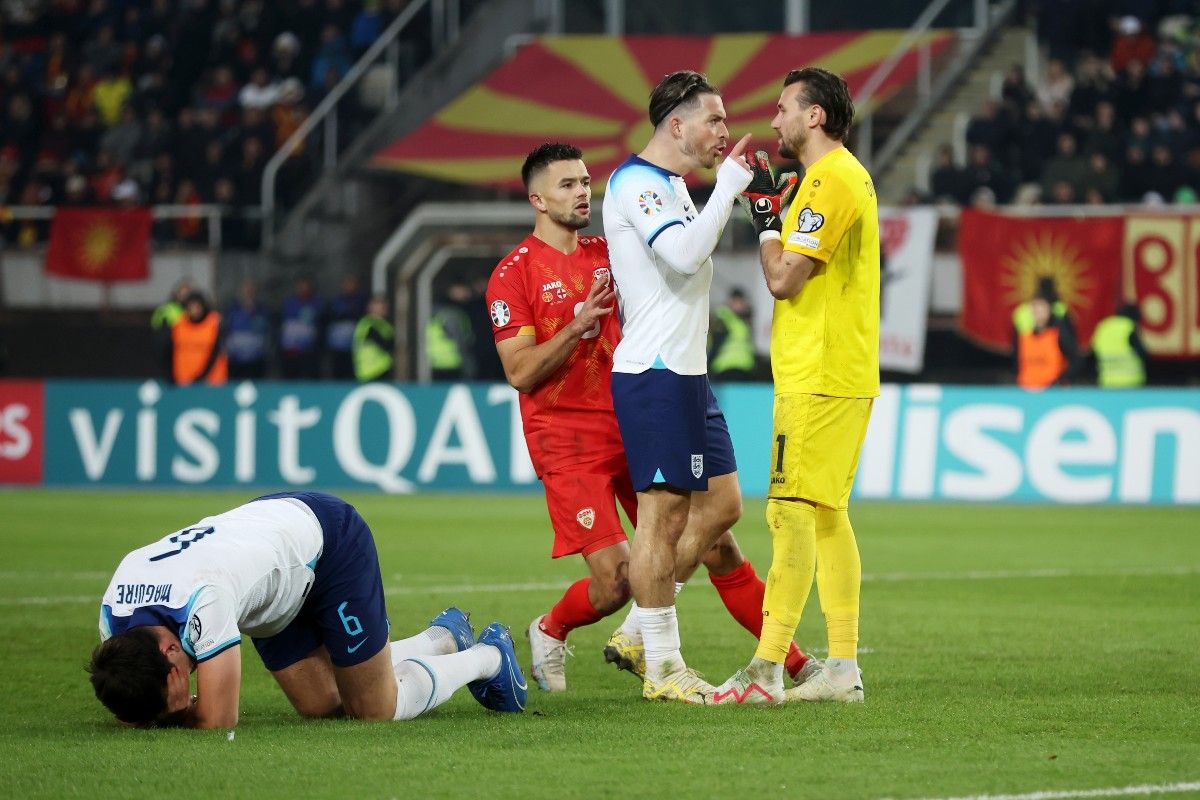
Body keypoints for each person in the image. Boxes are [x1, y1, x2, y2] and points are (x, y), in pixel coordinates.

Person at [487, 143, 815, 697]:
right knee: (618, 581)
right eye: (567, 185)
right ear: (537, 199)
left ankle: (799, 664)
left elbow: (681, 249)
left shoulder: (609, 251)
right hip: (567, 438)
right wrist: (575, 327)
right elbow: (519, 372)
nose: (582, 192)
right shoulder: (513, 275)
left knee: (717, 541)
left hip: (631, 411)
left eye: (585, 181)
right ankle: (551, 628)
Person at [714, 67, 878, 705]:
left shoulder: (830, 179)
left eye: (783, 108)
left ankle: (765, 669)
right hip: (841, 370)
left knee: (788, 512)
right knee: (828, 515)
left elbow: (784, 280)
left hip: (819, 373)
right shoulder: (834, 178)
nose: (774, 120)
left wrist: (764, 220)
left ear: (815, 116)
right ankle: (841, 667)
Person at [88, 492, 526, 728]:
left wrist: (174, 715)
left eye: (180, 685)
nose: (185, 694)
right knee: (324, 705)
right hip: (271, 578)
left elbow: (217, 719)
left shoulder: (204, 600)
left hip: (328, 545)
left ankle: (488, 657)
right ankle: (444, 638)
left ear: (169, 652)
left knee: (372, 707)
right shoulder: (113, 619)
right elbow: (134, 697)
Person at [601, 70, 755, 703]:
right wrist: (728, 190)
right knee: (661, 519)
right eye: (714, 119)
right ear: (676, 125)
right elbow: (684, 256)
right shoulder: (636, 183)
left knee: (721, 506)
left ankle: (639, 632)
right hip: (656, 371)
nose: (724, 130)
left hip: (688, 374)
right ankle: (664, 668)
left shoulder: (672, 188)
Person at [1012, 278, 1077, 390]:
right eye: (1035, 309)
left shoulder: (1058, 334)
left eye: (1042, 309)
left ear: (1049, 310)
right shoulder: (1024, 337)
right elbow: (1016, 360)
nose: (1038, 313)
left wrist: (1061, 379)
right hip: (1027, 389)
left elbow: (1076, 359)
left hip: (1052, 391)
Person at [172, 291, 228, 386]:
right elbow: (169, 350)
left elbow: (217, 352)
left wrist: (202, 376)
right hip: (184, 380)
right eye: (191, 307)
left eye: (197, 307)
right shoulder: (179, 324)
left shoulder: (215, 322)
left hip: (212, 382)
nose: (194, 311)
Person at [427, 280, 476, 381]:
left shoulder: (430, 311)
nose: (465, 295)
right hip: (452, 364)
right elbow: (460, 340)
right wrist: (468, 364)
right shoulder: (452, 314)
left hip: (432, 363)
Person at [224, 279, 272, 380]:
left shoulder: (263, 311)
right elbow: (226, 332)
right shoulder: (232, 310)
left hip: (257, 360)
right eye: (247, 291)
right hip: (236, 361)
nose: (249, 293)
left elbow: (268, 334)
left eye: (252, 291)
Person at [1092, 302, 1147, 388]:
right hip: (1131, 382)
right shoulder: (1128, 327)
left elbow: (1093, 351)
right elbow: (1142, 353)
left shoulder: (1103, 326)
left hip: (1107, 382)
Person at [279, 276, 324, 380]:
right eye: (301, 286)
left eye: (306, 286)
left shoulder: (318, 303)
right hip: (290, 351)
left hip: (309, 352)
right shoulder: (289, 303)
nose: (304, 289)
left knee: (309, 378)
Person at [709, 288, 756, 381]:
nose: (740, 305)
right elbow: (715, 343)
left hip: (743, 368)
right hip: (726, 368)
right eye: (737, 302)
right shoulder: (723, 318)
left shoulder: (741, 320)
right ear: (730, 301)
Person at [326, 274, 368, 380]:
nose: (349, 286)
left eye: (352, 283)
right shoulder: (336, 301)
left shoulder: (362, 300)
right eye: (347, 283)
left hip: (355, 345)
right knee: (338, 370)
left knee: (352, 371)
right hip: (337, 345)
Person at [151, 279, 192, 383]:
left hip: (189, 351)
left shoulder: (194, 310)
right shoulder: (167, 309)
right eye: (182, 293)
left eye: (188, 293)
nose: (185, 296)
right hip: (173, 349)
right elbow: (162, 334)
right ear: (176, 294)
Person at [353, 294, 395, 382]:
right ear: (371, 307)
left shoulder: (385, 325)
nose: (382, 308)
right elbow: (385, 344)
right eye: (379, 306)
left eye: (384, 306)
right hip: (370, 371)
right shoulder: (367, 324)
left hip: (384, 369)